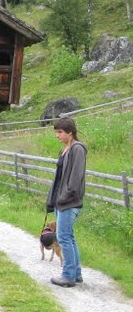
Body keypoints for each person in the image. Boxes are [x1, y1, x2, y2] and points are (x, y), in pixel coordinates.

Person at [45, 117, 87, 287]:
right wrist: (52, 200)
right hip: (61, 202)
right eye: (56, 132)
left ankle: (68, 275)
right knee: (68, 236)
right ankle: (76, 273)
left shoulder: (77, 149)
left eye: (60, 132)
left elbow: (75, 180)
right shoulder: (65, 150)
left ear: (70, 132)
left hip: (69, 202)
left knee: (63, 237)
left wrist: (63, 198)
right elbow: (59, 179)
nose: (57, 135)